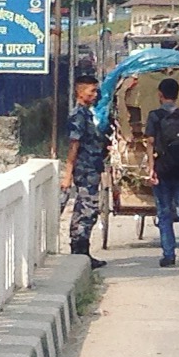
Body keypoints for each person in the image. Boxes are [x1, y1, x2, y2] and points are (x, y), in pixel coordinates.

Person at [144, 74, 179, 269]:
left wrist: (151, 168)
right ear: (177, 95)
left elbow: (150, 143)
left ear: (160, 95)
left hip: (163, 169)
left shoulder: (154, 116)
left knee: (164, 212)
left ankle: (168, 254)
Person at [60, 71, 109, 259]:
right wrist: (68, 175)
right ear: (80, 93)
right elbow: (74, 146)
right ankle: (79, 251)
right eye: (92, 91)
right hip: (84, 169)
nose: (95, 95)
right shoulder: (78, 116)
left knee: (87, 209)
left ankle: (83, 251)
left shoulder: (88, 114)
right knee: (87, 210)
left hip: (91, 168)